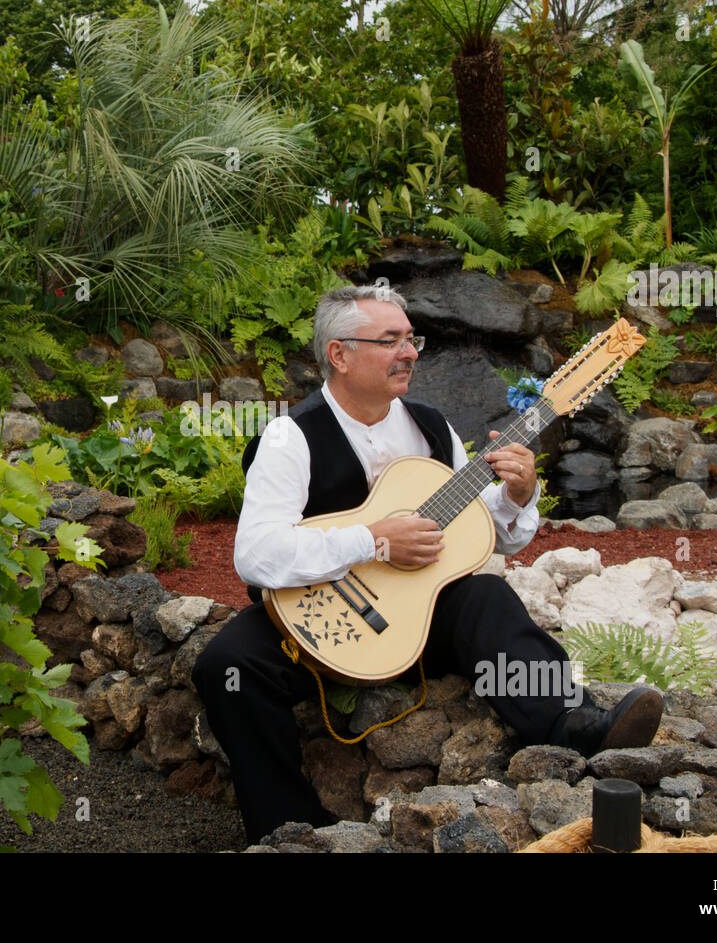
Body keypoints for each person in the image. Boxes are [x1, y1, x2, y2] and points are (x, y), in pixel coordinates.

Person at [192, 285, 663, 844]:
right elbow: (256, 554)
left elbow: (488, 535)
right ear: (339, 355)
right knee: (226, 666)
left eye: (411, 339)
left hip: (420, 616)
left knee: (488, 597)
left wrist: (516, 495)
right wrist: (372, 540)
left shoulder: (430, 426)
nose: (410, 351)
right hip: (320, 617)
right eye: (389, 341)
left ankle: (578, 725)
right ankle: (290, 829)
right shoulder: (290, 437)